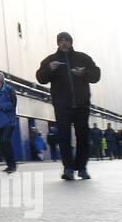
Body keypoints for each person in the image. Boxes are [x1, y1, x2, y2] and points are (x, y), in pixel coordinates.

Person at [36, 32, 101, 181]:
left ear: (71, 42)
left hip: (82, 105)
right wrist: (49, 69)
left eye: (67, 40)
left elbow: (96, 75)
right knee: (64, 137)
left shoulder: (83, 58)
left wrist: (84, 73)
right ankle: (68, 168)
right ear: (58, 43)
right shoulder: (51, 60)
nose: (64, 43)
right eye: (61, 41)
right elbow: (40, 77)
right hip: (62, 106)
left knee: (83, 137)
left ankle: (82, 168)